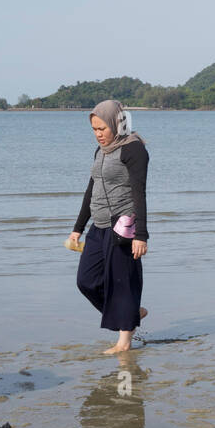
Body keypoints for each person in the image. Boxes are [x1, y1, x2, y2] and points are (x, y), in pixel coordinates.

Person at [70, 99, 149, 354]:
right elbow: (91, 189)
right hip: (99, 225)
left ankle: (124, 342)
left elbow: (139, 193)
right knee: (86, 281)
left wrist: (141, 235)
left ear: (117, 123)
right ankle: (130, 314)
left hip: (123, 226)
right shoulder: (100, 152)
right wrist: (78, 228)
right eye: (94, 129)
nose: (98, 134)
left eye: (102, 128)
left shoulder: (134, 149)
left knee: (122, 282)